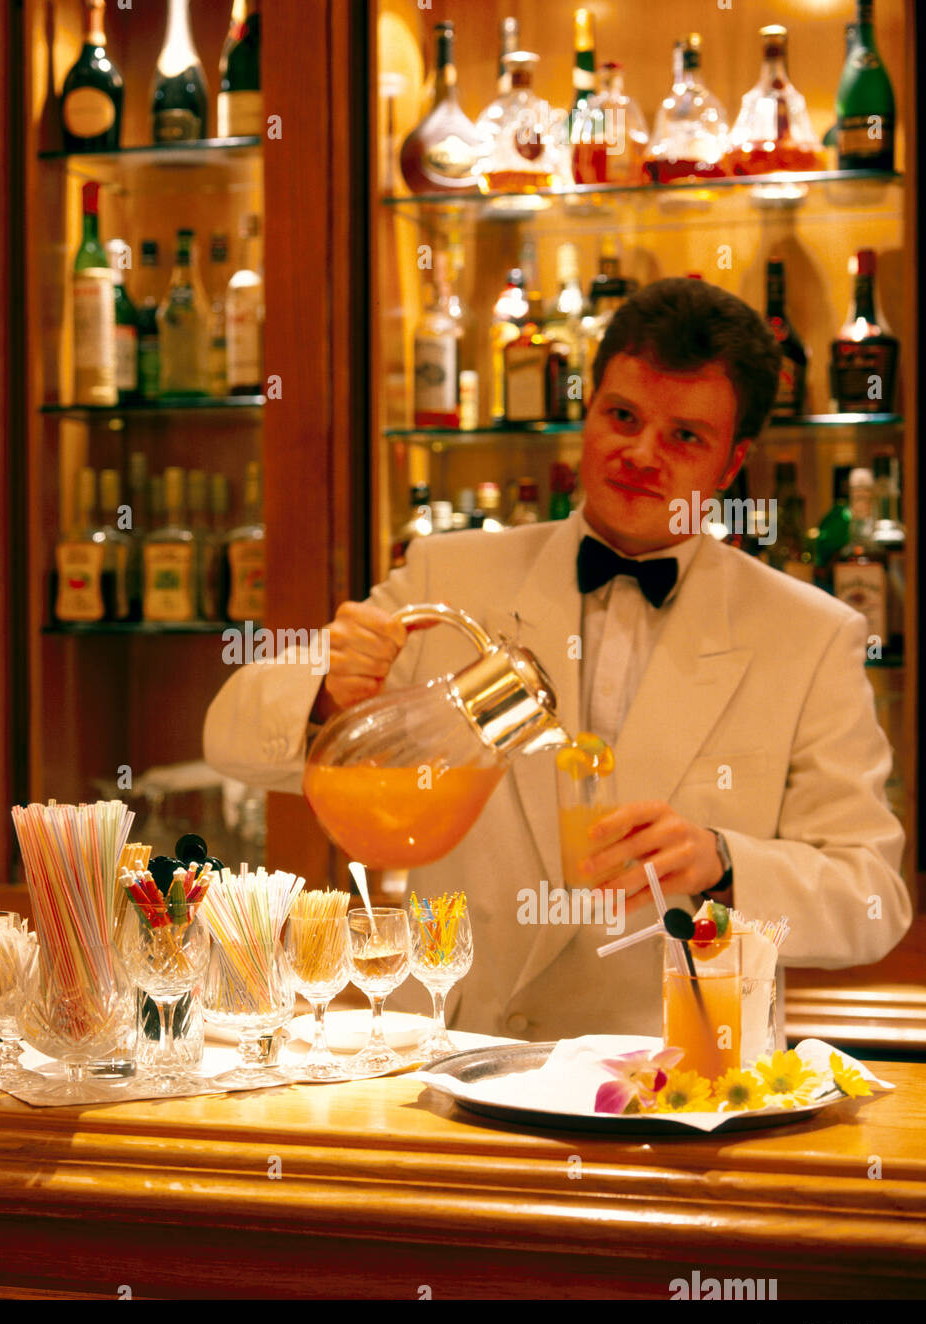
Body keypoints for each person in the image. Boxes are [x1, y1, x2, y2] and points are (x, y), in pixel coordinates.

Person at [203, 278, 911, 1039]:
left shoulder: (807, 634)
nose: (641, 453)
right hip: (456, 1064)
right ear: (585, 413)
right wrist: (326, 692)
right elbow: (230, 741)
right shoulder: (450, 575)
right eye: (622, 417)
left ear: (731, 465)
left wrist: (721, 861)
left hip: (674, 1088)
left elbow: (871, 899)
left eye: (684, 437)